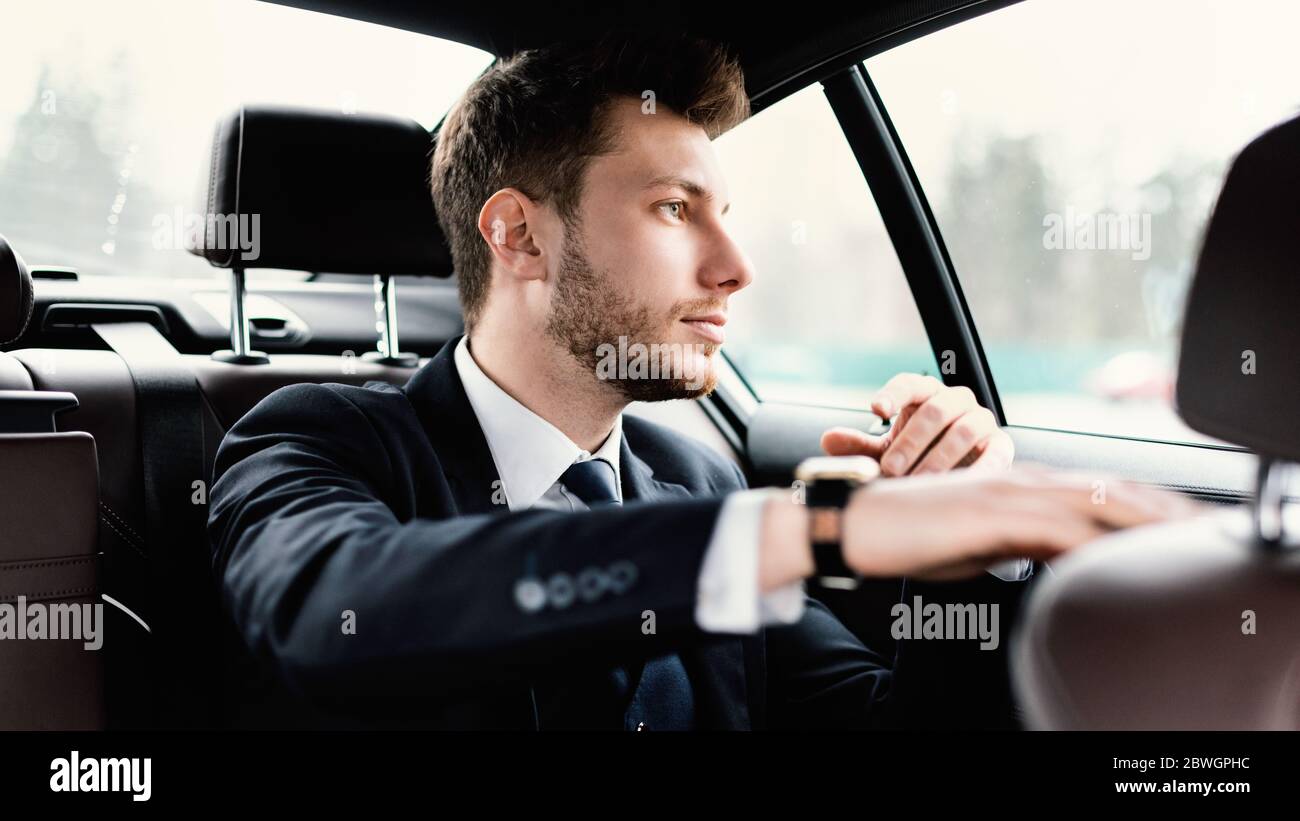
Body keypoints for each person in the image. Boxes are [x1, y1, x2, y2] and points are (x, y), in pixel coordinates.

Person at [207, 34, 1195, 730]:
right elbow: (332, 615)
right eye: (677, 209)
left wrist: (966, 547)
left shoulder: (702, 482)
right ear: (517, 233)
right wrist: (825, 531)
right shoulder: (314, 440)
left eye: (726, 211)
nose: (735, 265)